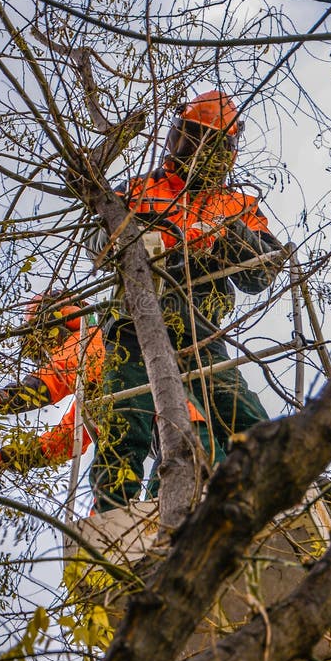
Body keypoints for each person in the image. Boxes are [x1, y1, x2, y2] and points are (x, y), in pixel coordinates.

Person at [85, 89, 285, 510]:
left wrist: (227, 233)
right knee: (127, 426)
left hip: (203, 329)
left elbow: (262, 272)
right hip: (133, 329)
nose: (189, 151)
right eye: (187, 138)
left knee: (241, 416)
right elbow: (97, 244)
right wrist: (140, 239)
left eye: (201, 143)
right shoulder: (142, 189)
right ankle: (112, 524)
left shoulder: (238, 204)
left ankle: (267, 496)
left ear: (222, 153)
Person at [0, 292, 105, 473]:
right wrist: (7, 458)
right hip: (149, 424)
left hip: (144, 403)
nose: (49, 351)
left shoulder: (93, 337)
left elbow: (61, 373)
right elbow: (65, 441)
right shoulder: (93, 386)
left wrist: (10, 397)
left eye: (46, 341)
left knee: (108, 476)